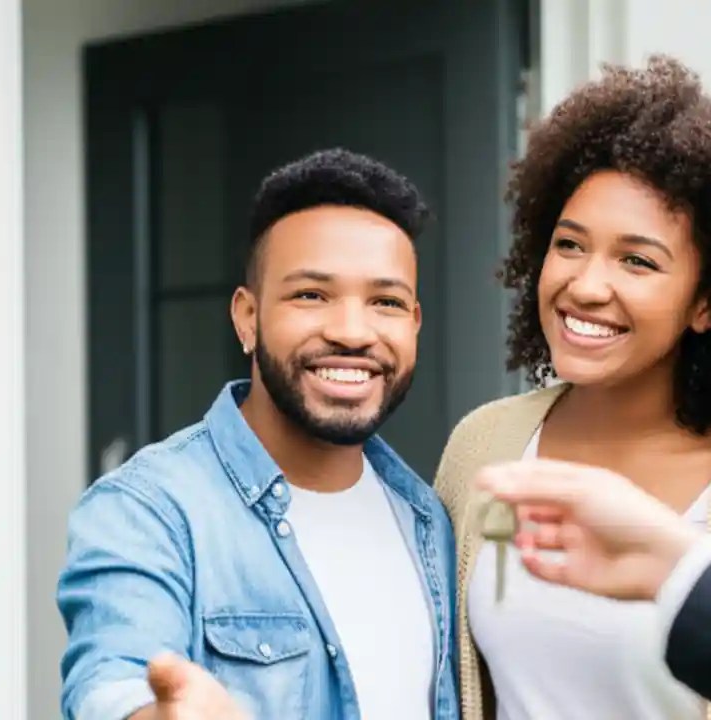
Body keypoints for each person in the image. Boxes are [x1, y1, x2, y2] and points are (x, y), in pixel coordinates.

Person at [432, 55, 711, 720]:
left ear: (708, 303)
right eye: (570, 245)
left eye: (637, 261)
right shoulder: (483, 447)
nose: (585, 285)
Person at [56, 148, 458, 720]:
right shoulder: (146, 512)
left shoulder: (430, 520)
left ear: (414, 324)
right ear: (248, 317)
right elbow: (110, 683)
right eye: (311, 295)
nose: (351, 331)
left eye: (385, 302)